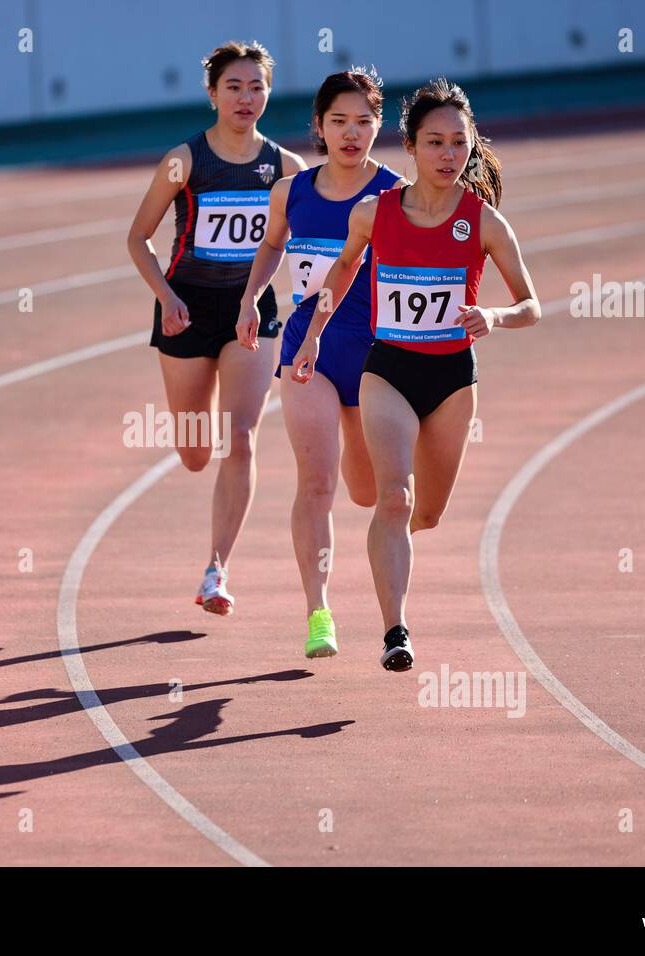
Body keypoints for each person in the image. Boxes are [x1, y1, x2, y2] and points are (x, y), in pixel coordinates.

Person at [296, 77, 540, 670]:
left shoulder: (483, 222)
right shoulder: (373, 212)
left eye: (460, 142)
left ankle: (394, 561)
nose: (448, 154)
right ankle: (395, 631)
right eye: (435, 142)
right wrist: (311, 338)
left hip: (453, 380)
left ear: (472, 146)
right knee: (395, 499)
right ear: (411, 146)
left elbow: (532, 305)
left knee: (427, 513)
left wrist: (495, 316)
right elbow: (341, 275)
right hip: (389, 370)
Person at [127, 40, 308, 615]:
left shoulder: (286, 168)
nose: (245, 97)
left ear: (269, 93)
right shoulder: (185, 160)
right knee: (194, 453)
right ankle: (193, 444)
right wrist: (166, 296)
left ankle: (216, 570)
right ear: (212, 94)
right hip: (186, 310)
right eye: (233, 86)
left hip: (251, 310)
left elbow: (302, 247)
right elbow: (139, 238)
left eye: (257, 86)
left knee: (242, 437)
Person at [236, 68, 400, 657]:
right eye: (339, 123)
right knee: (317, 481)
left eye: (363, 122)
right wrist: (253, 295)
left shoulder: (395, 196)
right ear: (320, 128)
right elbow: (273, 243)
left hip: (373, 351)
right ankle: (318, 613)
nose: (352, 134)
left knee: (363, 491)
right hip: (308, 347)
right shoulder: (293, 191)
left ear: (379, 125)